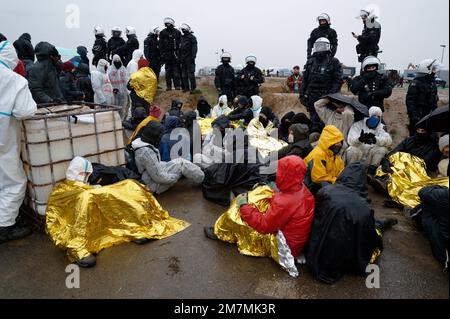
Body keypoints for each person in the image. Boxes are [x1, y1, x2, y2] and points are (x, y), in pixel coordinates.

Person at [45, 156, 190, 267]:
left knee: (128, 186)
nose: (89, 177)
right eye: (87, 174)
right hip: (80, 226)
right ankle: (78, 248)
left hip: (94, 210)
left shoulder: (79, 188)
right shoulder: (69, 192)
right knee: (94, 196)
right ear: (80, 173)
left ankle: (137, 227)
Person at [307, 163, 396, 284]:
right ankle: (382, 223)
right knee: (374, 230)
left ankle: (382, 223)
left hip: (314, 252)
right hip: (337, 261)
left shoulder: (325, 191)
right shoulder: (364, 207)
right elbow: (367, 239)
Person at [238, 156, 315, 265]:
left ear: (286, 174)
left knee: (241, 220)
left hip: (284, 247)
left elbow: (263, 226)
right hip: (296, 243)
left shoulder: (285, 202)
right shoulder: (304, 190)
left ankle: (223, 231)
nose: (277, 173)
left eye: (280, 170)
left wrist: (244, 206)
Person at [0, 40, 37, 244]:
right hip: (3, 140)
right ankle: (5, 227)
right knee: (13, 182)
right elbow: (25, 111)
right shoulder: (15, 81)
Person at [132, 121, 204, 194]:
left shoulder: (140, 144)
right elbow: (159, 177)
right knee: (182, 164)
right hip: (153, 186)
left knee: (180, 161)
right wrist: (175, 177)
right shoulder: (147, 152)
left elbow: (154, 165)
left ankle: (201, 175)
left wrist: (168, 165)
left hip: (148, 177)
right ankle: (204, 179)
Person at [300, 38, 342, 133]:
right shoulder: (311, 61)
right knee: (314, 122)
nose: (320, 48)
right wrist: (302, 95)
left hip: (326, 97)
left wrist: (330, 96)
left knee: (326, 123)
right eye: (318, 46)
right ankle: (314, 142)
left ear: (327, 47)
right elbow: (305, 80)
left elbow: (337, 81)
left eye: (322, 46)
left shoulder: (333, 62)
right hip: (311, 95)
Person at [345, 106, 392, 171]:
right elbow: (350, 140)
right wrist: (360, 139)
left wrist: (375, 140)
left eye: (378, 116)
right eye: (374, 115)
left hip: (370, 157)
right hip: (359, 154)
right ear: (369, 116)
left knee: (382, 150)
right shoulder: (357, 125)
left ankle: (372, 172)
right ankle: (350, 171)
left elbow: (388, 141)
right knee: (351, 149)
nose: (376, 118)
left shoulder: (381, 127)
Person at [415, 185, 449, 270]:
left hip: (445, 255)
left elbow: (422, 192)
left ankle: (412, 213)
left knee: (428, 205)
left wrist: (441, 187)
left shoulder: (444, 195)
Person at [304, 125, 345, 194]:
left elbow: (341, 172)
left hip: (330, 184)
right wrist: (337, 182)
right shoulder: (317, 155)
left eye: (341, 142)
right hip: (311, 188)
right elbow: (318, 178)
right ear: (329, 142)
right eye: (337, 142)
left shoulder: (335, 155)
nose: (340, 145)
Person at [406, 59, 440, 136]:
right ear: (427, 70)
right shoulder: (416, 83)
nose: (435, 71)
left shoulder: (432, 82)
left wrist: (435, 113)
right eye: (433, 69)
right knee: (416, 138)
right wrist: (414, 116)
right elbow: (410, 101)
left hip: (430, 115)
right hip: (418, 115)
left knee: (430, 138)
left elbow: (434, 100)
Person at [159, 17, 182, 91]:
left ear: (172, 24)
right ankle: (168, 86)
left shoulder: (177, 32)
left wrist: (178, 53)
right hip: (167, 55)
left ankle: (177, 86)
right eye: (166, 24)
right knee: (168, 72)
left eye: (169, 23)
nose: (167, 25)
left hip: (175, 55)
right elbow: (160, 44)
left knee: (176, 72)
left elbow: (180, 43)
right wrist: (162, 54)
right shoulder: (162, 32)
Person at [179, 23, 198, 93]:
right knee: (184, 74)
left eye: (184, 29)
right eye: (182, 30)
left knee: (191, 74)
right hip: (183, 58)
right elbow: (179, 48)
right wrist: (179, 58)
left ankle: (193, 88)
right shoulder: (182, 37)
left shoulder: (192, 37)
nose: (183, 31)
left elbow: (194, 48)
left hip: (190, 58)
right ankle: (186, 88)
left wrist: (193, 57)